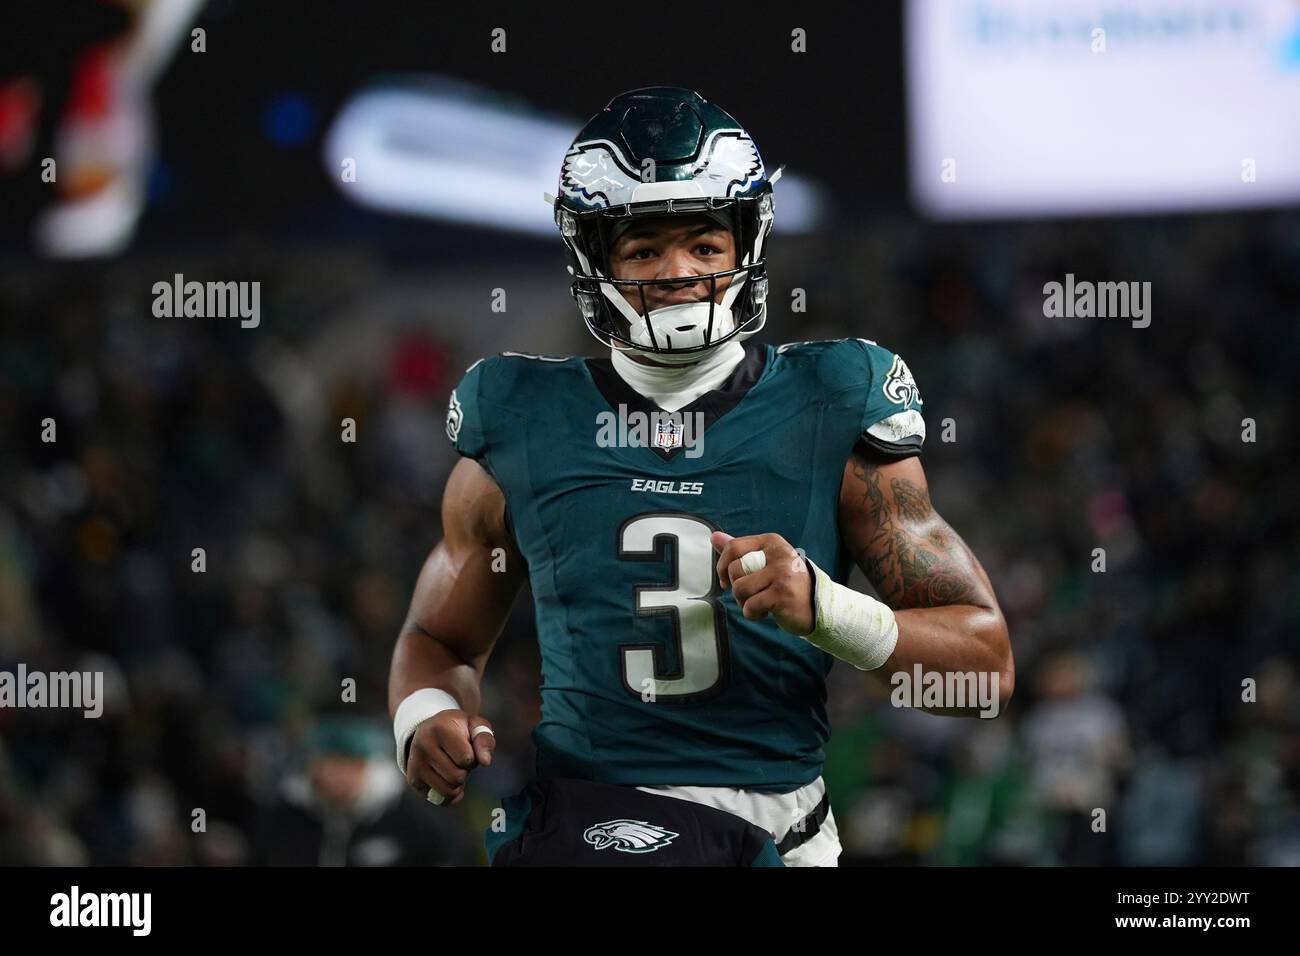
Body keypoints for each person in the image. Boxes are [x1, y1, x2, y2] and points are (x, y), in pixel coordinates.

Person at [388, 87, 1013, 866]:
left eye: (705, 245)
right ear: (596, 258)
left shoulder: (832, 399)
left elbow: (984, 673)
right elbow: (439, 636)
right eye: (644, 249)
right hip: (590, 818)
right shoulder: (521, 416)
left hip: (778, 831)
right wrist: (427, 712)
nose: (678, 271)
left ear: (745, 245)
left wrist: (827, 609)